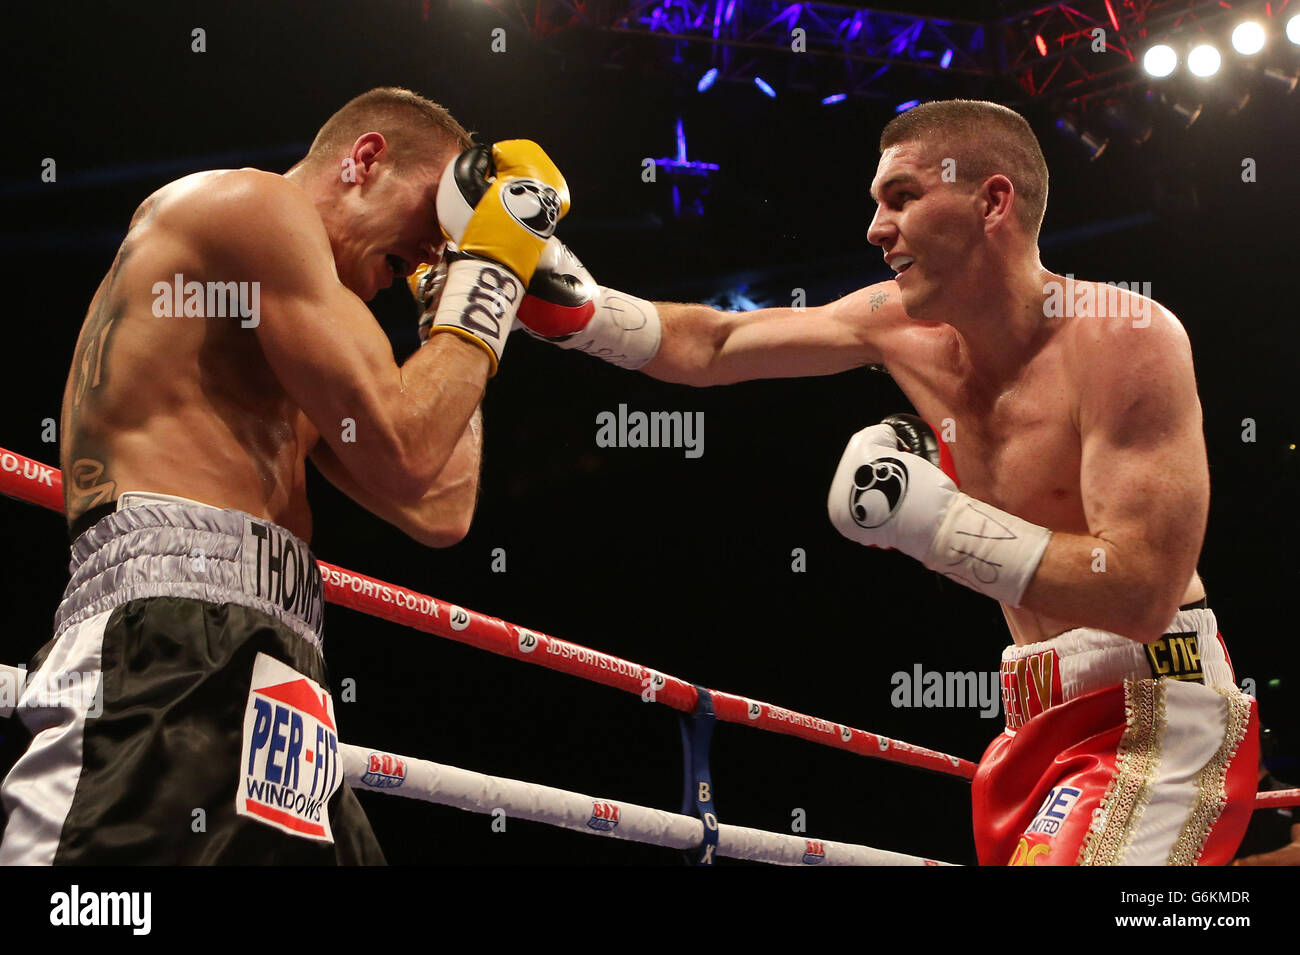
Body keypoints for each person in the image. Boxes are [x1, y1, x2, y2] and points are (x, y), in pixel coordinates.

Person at [494, 98, 1260, 865]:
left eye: (902, 197)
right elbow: (721, 341)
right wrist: (582, 309)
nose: (875, 229)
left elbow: (1143, 589)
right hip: (1031, 712)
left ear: (993, 200)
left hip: (1156, 700)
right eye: (876, 204)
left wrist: (938, 526)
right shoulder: (896, 325)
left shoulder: (1124, 337)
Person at [0, 87, 569, 864]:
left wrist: (456, 299)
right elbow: (407, 446)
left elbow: (439, 504)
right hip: (164, 637)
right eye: (435, 216)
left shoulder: (315, 331)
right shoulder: (248, 205)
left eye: (455, 239)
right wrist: (493, 272)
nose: (441, 247)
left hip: (283, 671)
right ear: (364, 160)